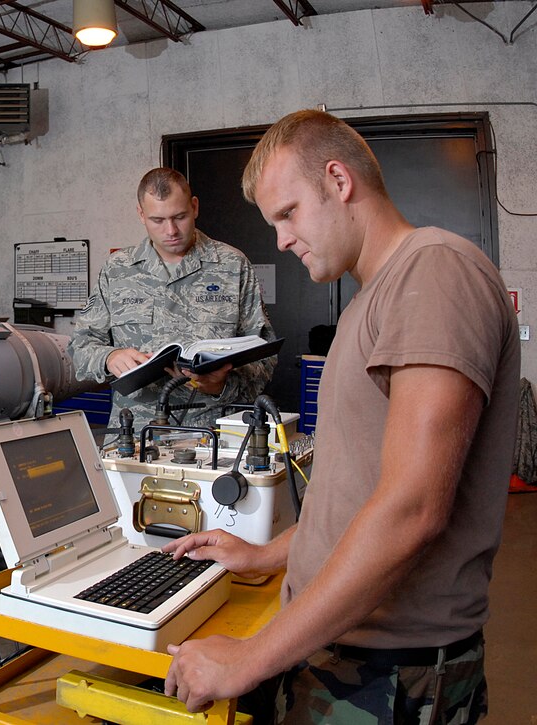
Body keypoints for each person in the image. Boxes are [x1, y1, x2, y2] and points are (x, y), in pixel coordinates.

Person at [162, 110, 520, 724]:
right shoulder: (368, 301)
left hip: (391, 672)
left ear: (338, 179)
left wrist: (248, 659)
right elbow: (359, 498)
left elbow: (412, 510)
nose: (280, 239)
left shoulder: (433, 272)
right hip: (338, 646)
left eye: (288, 213)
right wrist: (267, 554)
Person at [69, 167, 277, 432]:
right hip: (134, 435)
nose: (171, 230)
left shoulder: (233, 265)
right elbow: (80, 347)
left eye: (180, 217)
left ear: (195, 206)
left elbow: (265, 354)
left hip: (214, 434)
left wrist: (222, 385)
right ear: (141, 215)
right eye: (158, 220)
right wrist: (110, 357)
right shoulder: (117, 269)